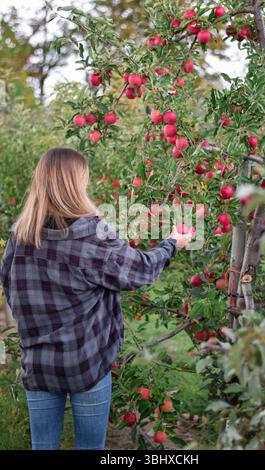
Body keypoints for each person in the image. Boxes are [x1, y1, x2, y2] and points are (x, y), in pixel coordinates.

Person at [0, 147, 191, 450]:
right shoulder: (92, 234)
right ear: (77, 184)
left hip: (39, 363)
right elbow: (140, 269)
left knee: (43, 446)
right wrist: (172, 243)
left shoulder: (19, 237)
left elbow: (12, 290)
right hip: (86, 362)